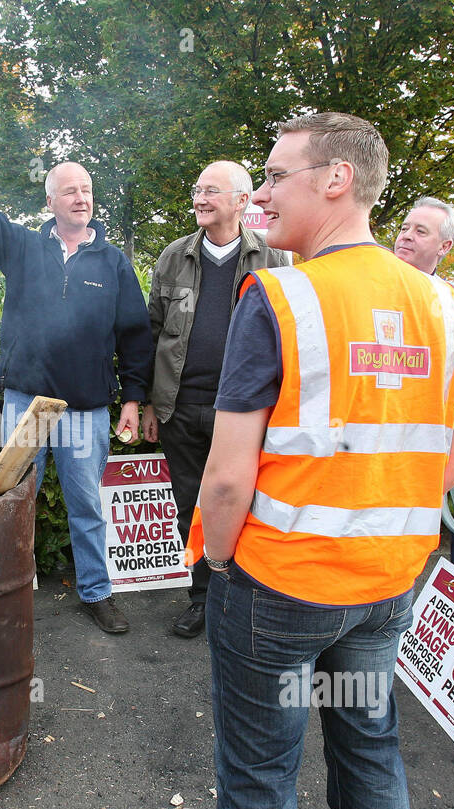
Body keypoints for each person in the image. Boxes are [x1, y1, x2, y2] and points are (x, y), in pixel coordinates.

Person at [187, 112, 454, 809]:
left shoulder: (279, 297)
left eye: (278, 176)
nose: (262, 195)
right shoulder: (445, 308)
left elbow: (224, 481)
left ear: (338, 179)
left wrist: (219, 564)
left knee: (259, 782)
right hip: (388, 584)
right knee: (371, 749)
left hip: (277, 586)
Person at [0, 86, 153, 635]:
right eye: (69, 191)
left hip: (83, 411)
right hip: (23, 403)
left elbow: (136, 335)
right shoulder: (22, 249)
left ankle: (97, 593)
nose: (81, 198)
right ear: (50, 201)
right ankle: (9, 590)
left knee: (87, 508)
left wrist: (132, 398)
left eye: (87, 190)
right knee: (11, 503)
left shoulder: (114, 262)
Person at [143, 161, 289, 638]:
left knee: (246, 503)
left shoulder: (274, 258)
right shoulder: (173, 257)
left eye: (211, 191)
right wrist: (147, 402)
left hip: (245, 416)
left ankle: (243, 599)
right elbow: (152, 331)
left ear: (242, 201)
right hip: (180, 409)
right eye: (197, 189)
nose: (200, 199)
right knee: (192, 507)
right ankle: (202, 598)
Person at [393, 197, 454, 275]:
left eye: (420, 231)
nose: (407, 235)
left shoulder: (440, 287)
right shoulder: (376, 276)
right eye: (404, 229)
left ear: (444, 247)